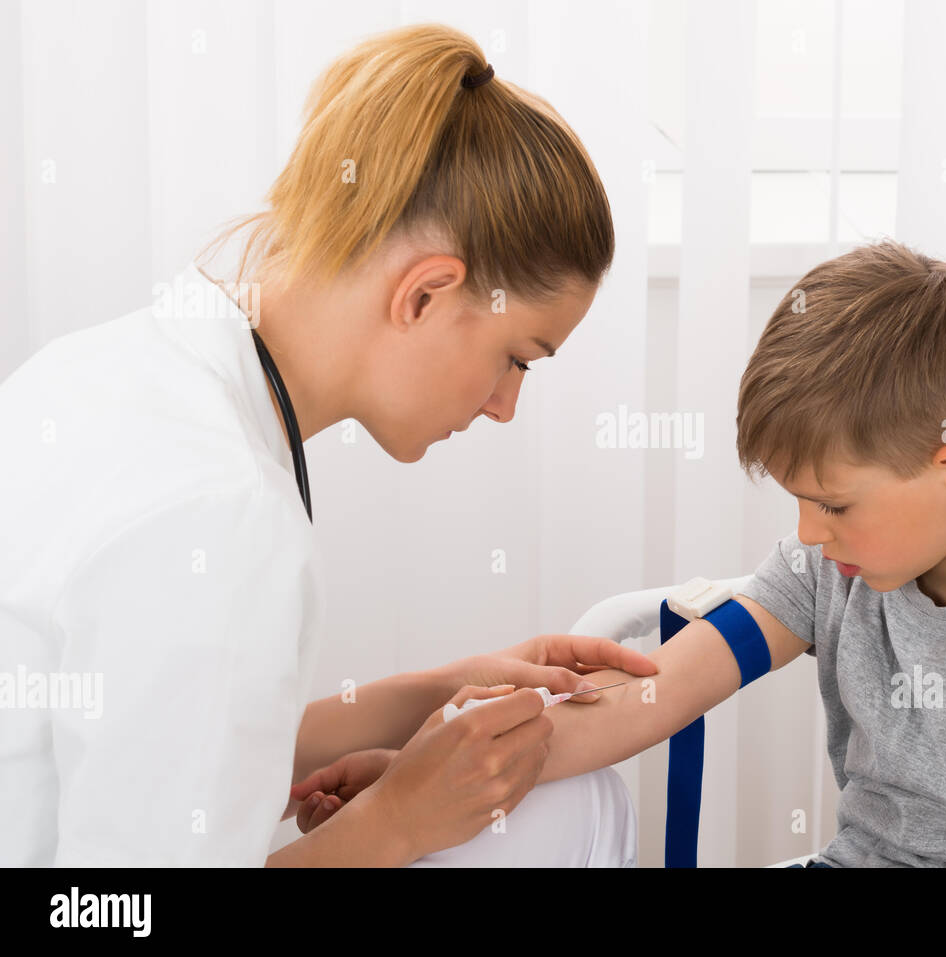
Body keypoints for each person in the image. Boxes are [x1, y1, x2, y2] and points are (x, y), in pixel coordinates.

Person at [0, 22, 657, 867]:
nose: (505, 406)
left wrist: (435, 691)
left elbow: (144, 737)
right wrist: (395, 825)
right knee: (575, 810)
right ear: (424, 295)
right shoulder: (221, 513)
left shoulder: (115, 369)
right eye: (514, 359)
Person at [486, 239, 946, 867]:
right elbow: (659, 690)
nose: (809, 533)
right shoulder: (835, 566)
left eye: (834, 504)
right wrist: (440, 763)